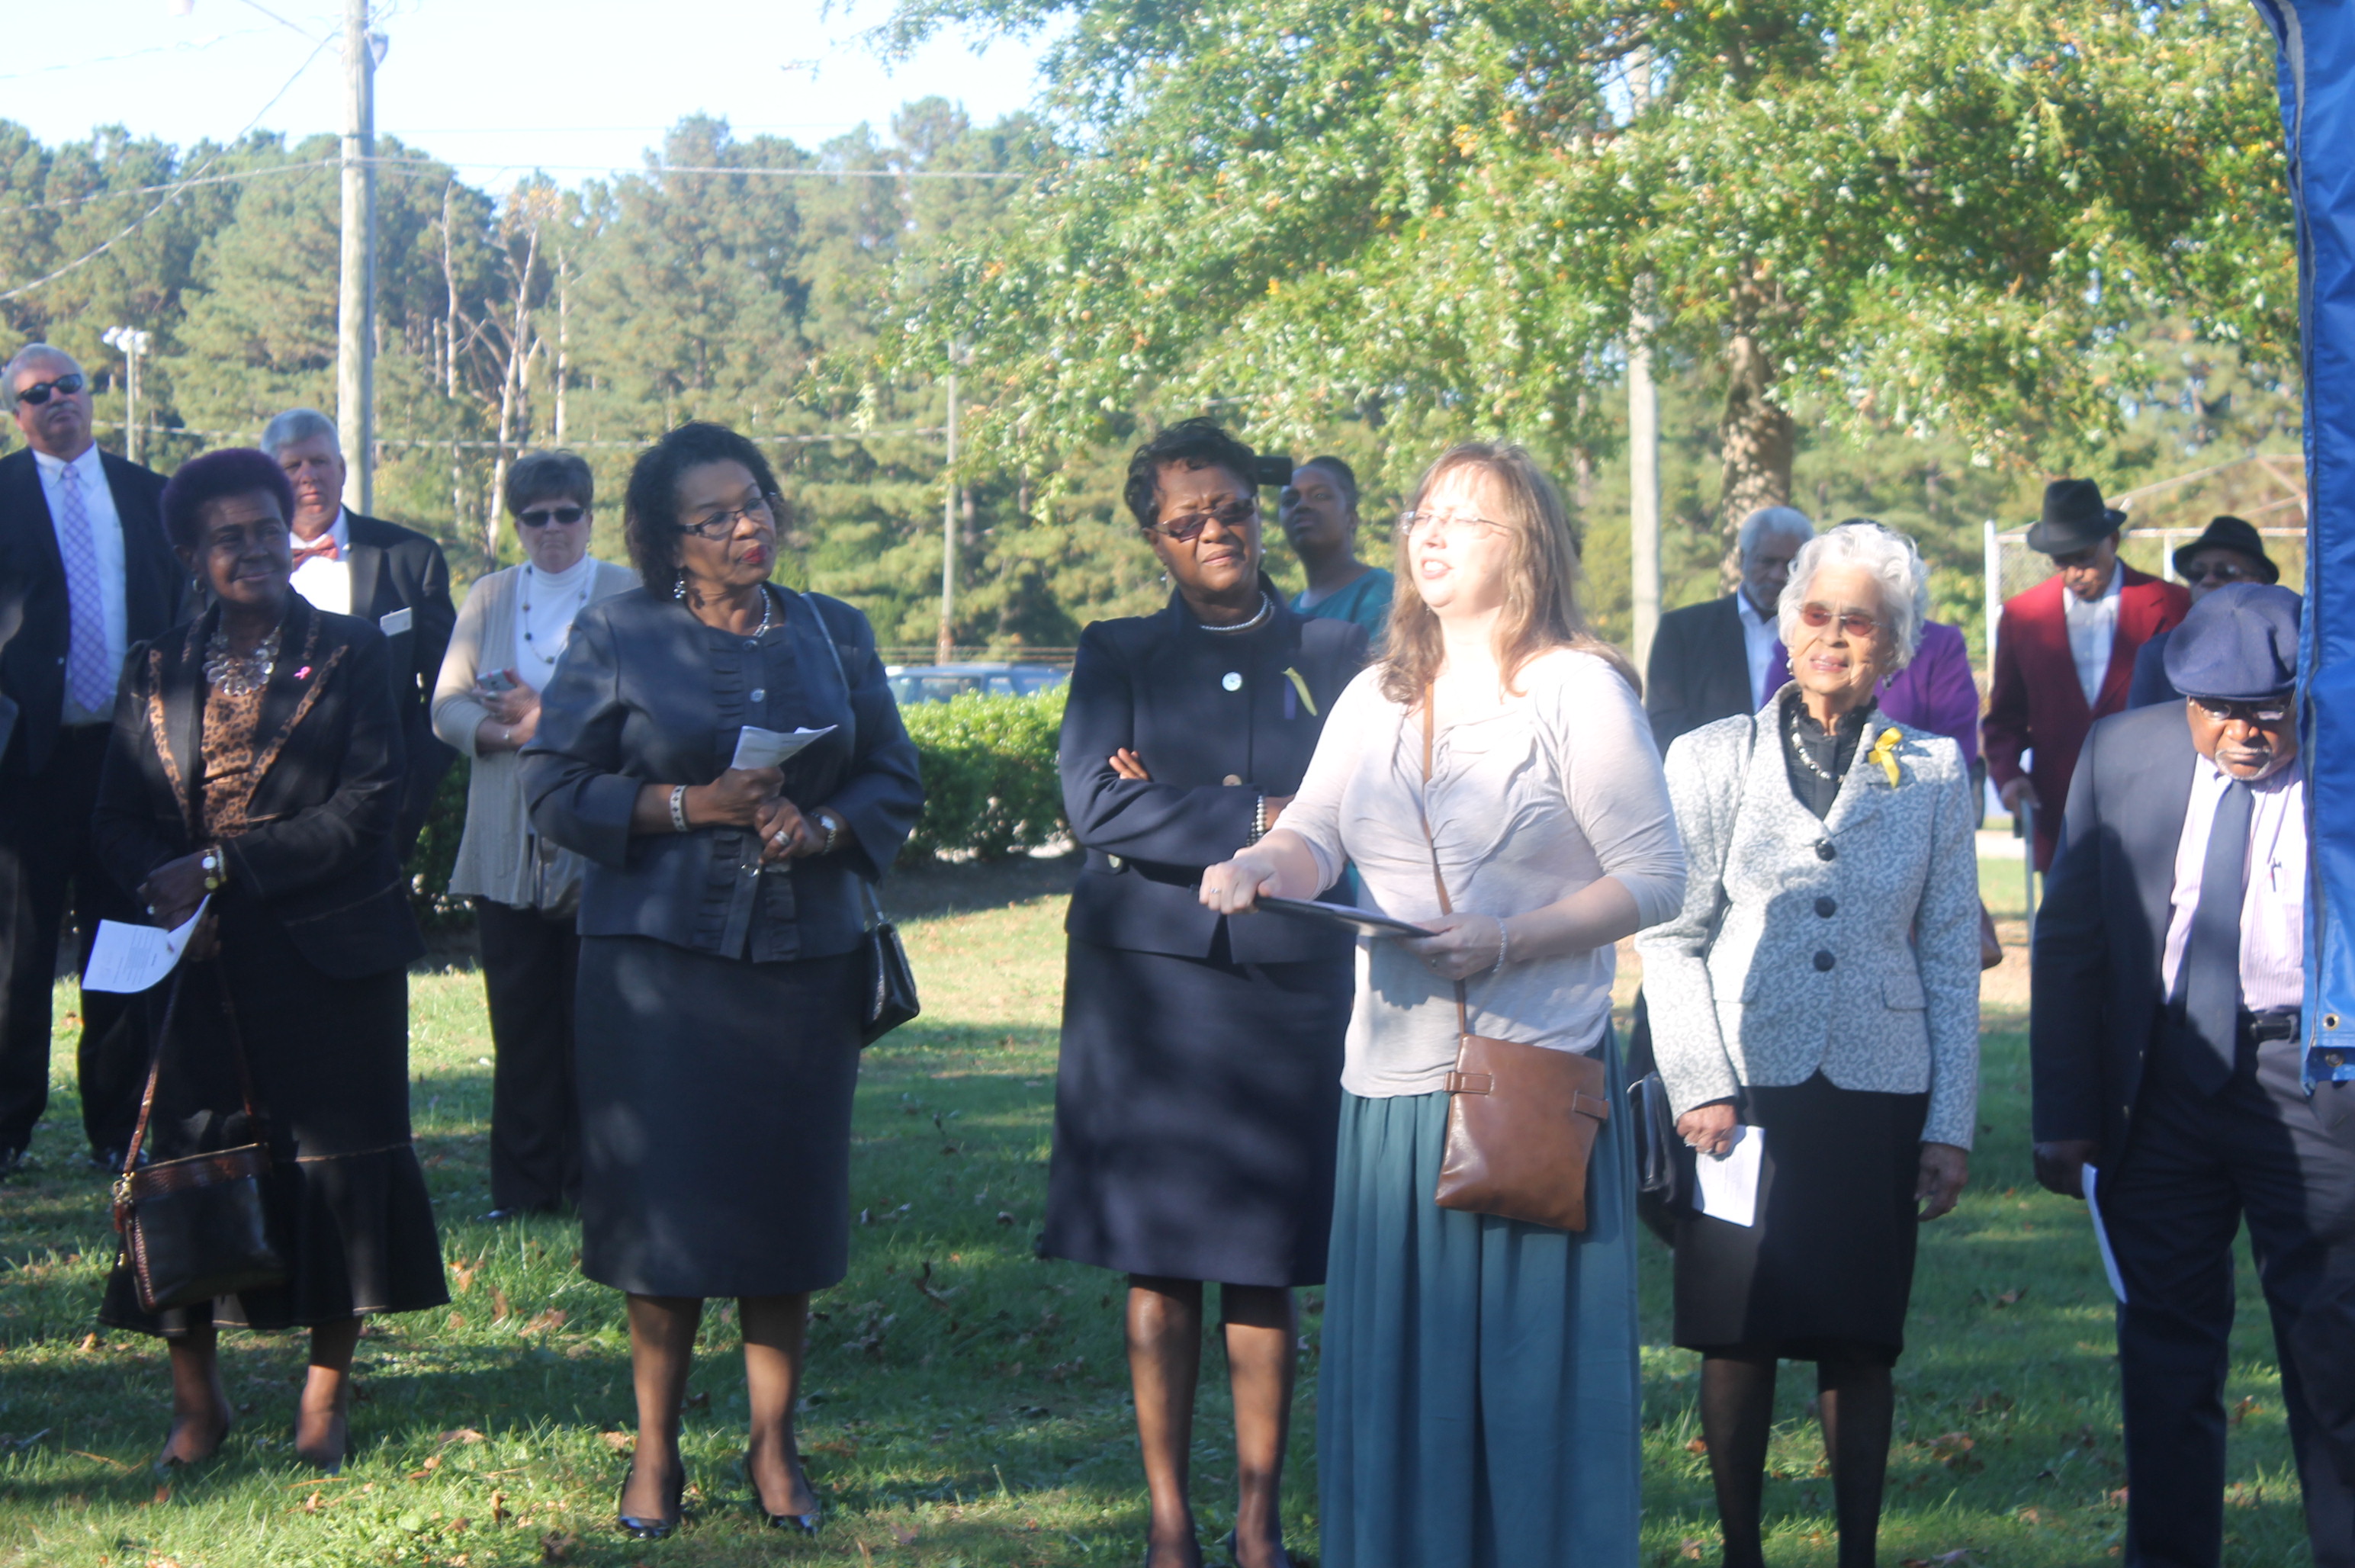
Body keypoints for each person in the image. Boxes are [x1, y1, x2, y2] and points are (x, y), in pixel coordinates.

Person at [1200, 442, 1686, 1568]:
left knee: (1524, 1376)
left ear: (1527, 551)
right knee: (1396, 1373)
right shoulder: (1377, 693)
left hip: (1530, 1079)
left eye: (1463, 520)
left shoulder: (1575, 686)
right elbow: (1316, 833)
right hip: (1392, 1090)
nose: (1429, 533)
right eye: (1422, 512)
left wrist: (1512, 937)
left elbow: (1660, 875)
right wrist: (1262, 864)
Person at [521, 421, 923, 1541]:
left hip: (806, 960)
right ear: (667, 542)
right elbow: (554, 789)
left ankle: (774, 1446)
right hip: (656, 965)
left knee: (781, 1202)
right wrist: (689, 805)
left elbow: (893, 772)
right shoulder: (617, 631)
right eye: (717, 517)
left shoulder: (837, 631)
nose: (749, 527)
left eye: (756, 502)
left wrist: (826, 822)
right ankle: (654, 1450)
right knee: (665, 1210)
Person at [1048, 418, 1365, 1568]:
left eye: (1230, 507)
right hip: (1148, 993)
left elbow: (1357, 806)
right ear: (1154, 539)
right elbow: (1096, 808)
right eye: (1186, 521)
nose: (1214, 531)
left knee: (1266, 1263)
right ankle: (1171, 1524)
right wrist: (1263, 815)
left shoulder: (1337, 654)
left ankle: (1258, 1526)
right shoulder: (1118, 650)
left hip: (1288, 986)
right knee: (1160, 1257)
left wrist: (1180, 804)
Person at [90, 448, 445, 1472]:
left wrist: (220, 867)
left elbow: (371, 804)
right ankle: (197, 1408)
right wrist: (166, 882)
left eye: (263, 527)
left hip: (327, 954)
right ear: (191, 554)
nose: (249, 548)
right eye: (225, 535)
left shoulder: (351, 652)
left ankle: (322, 1404)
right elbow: (111, 815)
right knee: (180, 1166)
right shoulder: (152, 667)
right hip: (188, 959)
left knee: (340, 1170)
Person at [1637, 522, 1979, 1568]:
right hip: (1740, 1093)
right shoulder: (1710, 757)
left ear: (1894, 645)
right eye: (1816, 614)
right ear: (1786, 627)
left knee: (1857, 1337)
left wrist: (1950, 1124)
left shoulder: (1930, 771)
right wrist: (1699, 1081)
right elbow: (1672, 934)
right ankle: (1742, 1549)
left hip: (1877, 1091)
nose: (1833, 637)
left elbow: (1953, 954)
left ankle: (1858, 1554)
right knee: (1738, 1333)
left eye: (1858, 621)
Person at [2031, 583, 2353, 1568]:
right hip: (2163, 1079)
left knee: (2335, 1351)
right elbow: (2072, 938)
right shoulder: (2123, 755)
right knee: (2164, 1352)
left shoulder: (2340, 772)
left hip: (2312, 1078)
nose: (2250, 732)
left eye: (2271, 709)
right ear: (2183, 698)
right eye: (2224, 711)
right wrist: (2063, 1113)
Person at [430, 451, 635, 1219]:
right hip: (503, 841)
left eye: (568, 512)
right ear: (516, 524)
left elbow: (641, 711)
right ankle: (522, 1190)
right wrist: (509, 733)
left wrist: (543, 718)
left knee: (594, 1026)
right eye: (536, 516)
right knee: (519, 1025)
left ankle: (593, 1183)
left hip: (595, 839)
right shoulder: (488, 596)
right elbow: (445, 705)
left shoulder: (627, 593)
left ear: (589, 516)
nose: (553, 529)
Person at [0, 342, 185, 1172]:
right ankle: (6, 1124)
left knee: (121, 943)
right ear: (17, 414)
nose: (56, 401)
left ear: (90, 393)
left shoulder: (150, 496)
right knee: (17, 950)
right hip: (25, 763)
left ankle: (119, 1126)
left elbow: (183, 611)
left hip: (129, 757)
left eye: (68, 385)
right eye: (36, 394)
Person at [262, 409, 458, 856]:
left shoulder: (410, 557)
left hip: (379, 802)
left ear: (343, 470)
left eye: (320, 462)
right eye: (292, 466)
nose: (308, 477)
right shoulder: (243, 566)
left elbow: (450, 684)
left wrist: (414, 780)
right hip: (268, 804)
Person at [1984, 478, 2188, 871]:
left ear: (2113, 540)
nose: (2075, 571)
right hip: (2059, 816)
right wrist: (2008, 776)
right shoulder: (2022, 617)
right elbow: (2004, 720)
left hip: (2153, 815)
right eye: (2060, 560)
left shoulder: (2173, 605)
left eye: (2084, 555)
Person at [1645, 505, 1814, 751]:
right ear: (1742, 559)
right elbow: (1665, 724)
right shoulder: (1683, 631)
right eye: (1767, 562)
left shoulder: (1819, 633)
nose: (1778, 575)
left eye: (1791, 566)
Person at [2127, 516, 2279, 708]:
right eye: (2197, 573)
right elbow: (2139, 730)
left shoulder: (2284, 649)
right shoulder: (2158, 654)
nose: (2208, 580)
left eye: (2225, 571)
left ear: (2258, 581)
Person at [1279, 455, 1393, 647]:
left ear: (1352, 518)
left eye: (1320, 496)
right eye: (1290, 500)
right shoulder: (1290, 612)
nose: (1302, 506)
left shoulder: (1382, 593)